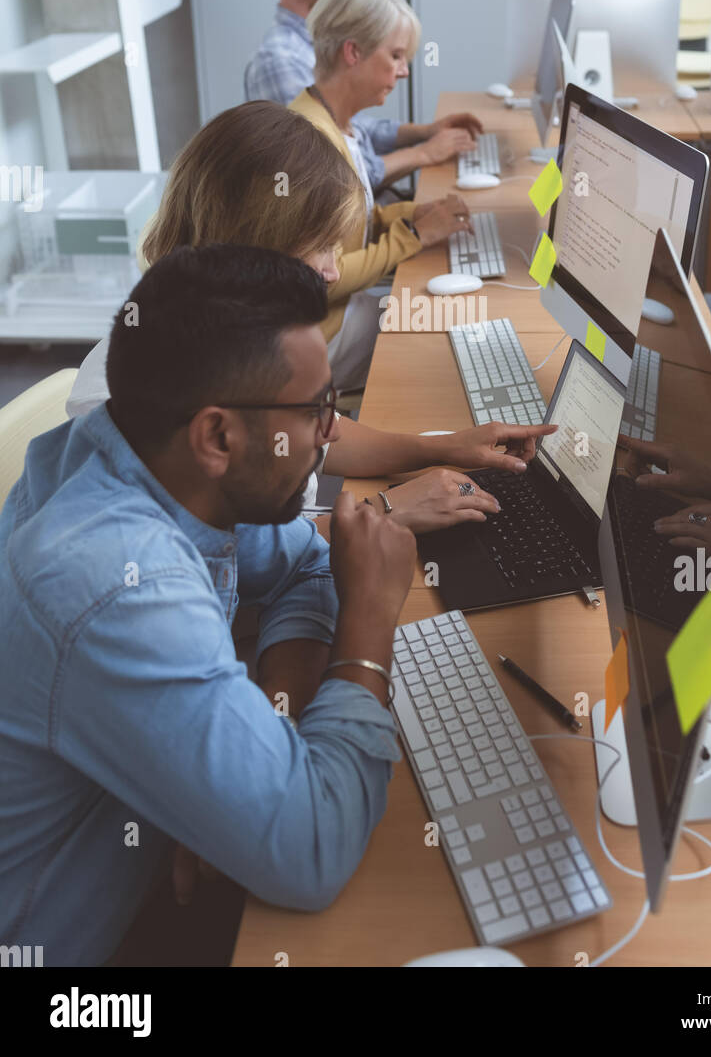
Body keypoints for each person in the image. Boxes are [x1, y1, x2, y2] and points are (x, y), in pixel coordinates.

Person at [0, 245, 418, 966]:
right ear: (218, 436)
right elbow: (310, 848)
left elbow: (306, 566)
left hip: (149, 868)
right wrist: (369, 624)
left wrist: (268, 718)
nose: (329, 433)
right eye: (317, 409)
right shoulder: (119, 583)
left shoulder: (152, 461)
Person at [65, 103, 555, 531]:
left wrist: (445, 447)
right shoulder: (144, 407)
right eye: (320, 248)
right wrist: (385, 510)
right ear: (257, 245)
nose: (333, 271)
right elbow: (241, 570)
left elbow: (321, 438)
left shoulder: (237, 335)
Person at [293, 0, 479, 387]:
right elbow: (320, 280)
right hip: (322, 337)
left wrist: (417, 212)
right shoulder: (311, 142)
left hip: (347, 309)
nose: (404, 71)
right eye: (396, 56)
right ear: (353, 52)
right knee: (451, 331)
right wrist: (413, 233)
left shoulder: (338, 124)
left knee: (462, 313)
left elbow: (351, 224)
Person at [244, 0, 482, 193]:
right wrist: (425, 153)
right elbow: (333, 175)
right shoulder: (279, 61)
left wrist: (424, 132)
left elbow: (356, 128)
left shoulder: (314, 46)